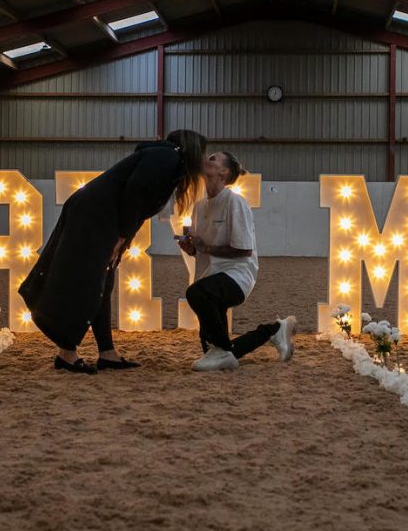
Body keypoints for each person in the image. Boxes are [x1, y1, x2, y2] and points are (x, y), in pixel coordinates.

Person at [20, 130, 208, 374]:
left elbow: (137, 205)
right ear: (192, 148)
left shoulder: (167, 160)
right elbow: (134, 192)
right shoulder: (168, 157)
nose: (204, 159)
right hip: (95, 218)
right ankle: (67, 353)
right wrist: (120, 235)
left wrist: (123, 239)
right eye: (202, 152)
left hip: (99, 217)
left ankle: (106, 352)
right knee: (89, 282)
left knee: (103, 282)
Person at [178, 151, 295, 371]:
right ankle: (273, 331)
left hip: (237, 275)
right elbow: (201, 250)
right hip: (210, 277)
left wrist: (205, 247)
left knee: (195, 293)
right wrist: (192, 248)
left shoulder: (235, 202)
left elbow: (243, 250)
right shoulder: (200, 206)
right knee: (220, 348)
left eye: (213, 159)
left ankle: (223, 352)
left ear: (224, 172)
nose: (206, 159)